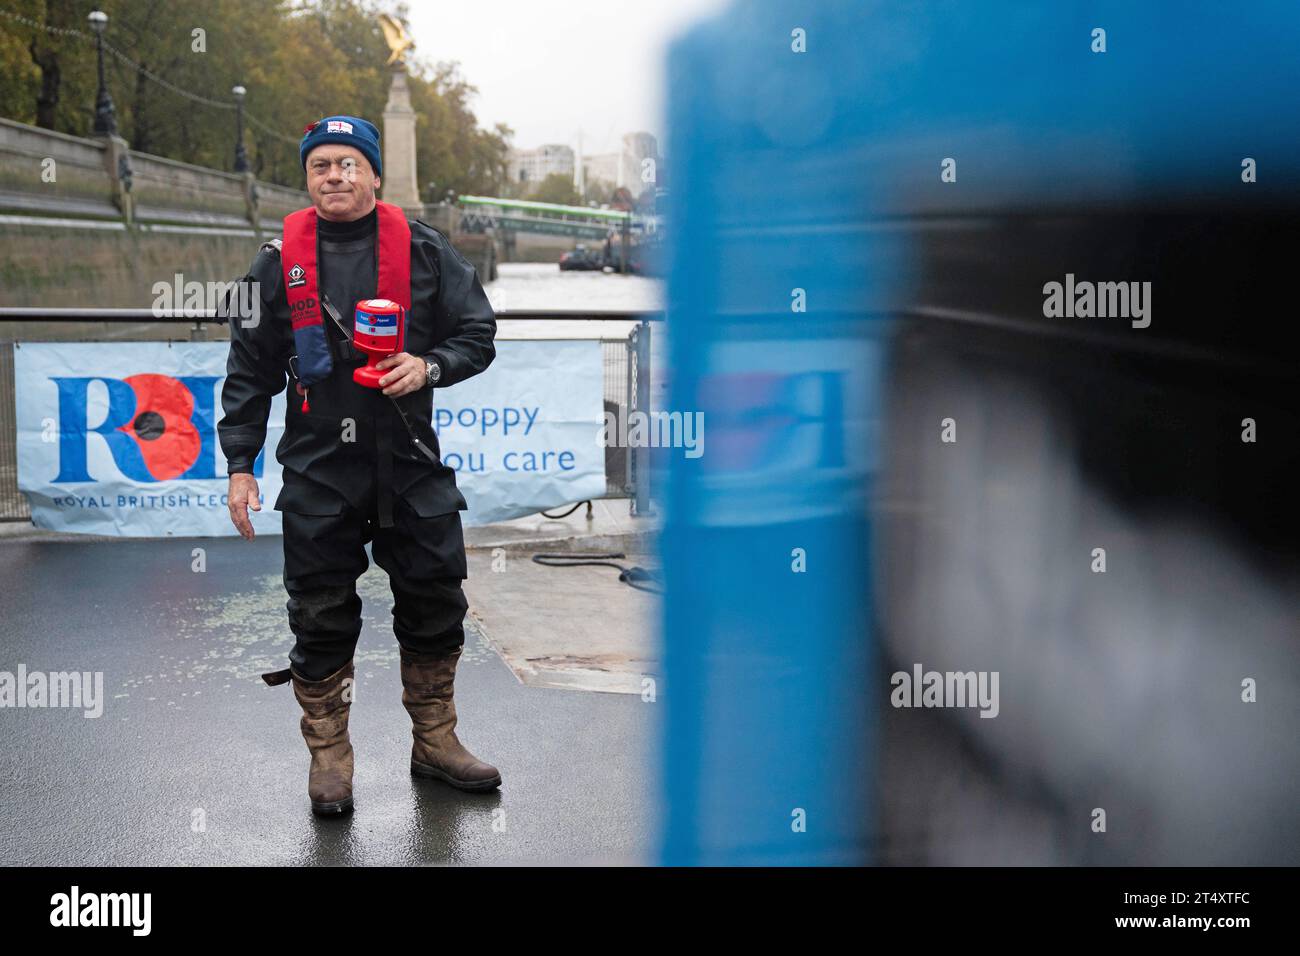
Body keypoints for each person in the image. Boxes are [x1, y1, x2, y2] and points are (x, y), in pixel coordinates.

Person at [217, 115, 500, 816]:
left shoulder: (429, 253)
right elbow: (249, 371)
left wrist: (428, 364)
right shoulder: (275, 262)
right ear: (308, 177)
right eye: (322, 166)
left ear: (374, 174)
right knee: (319, 617)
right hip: (319, 470)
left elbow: (478, 334)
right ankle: (331, 759)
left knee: (436, 605)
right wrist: (240, 463)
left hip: (410, 462)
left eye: (349, 164)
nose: (335, 176)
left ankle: (436, 742)